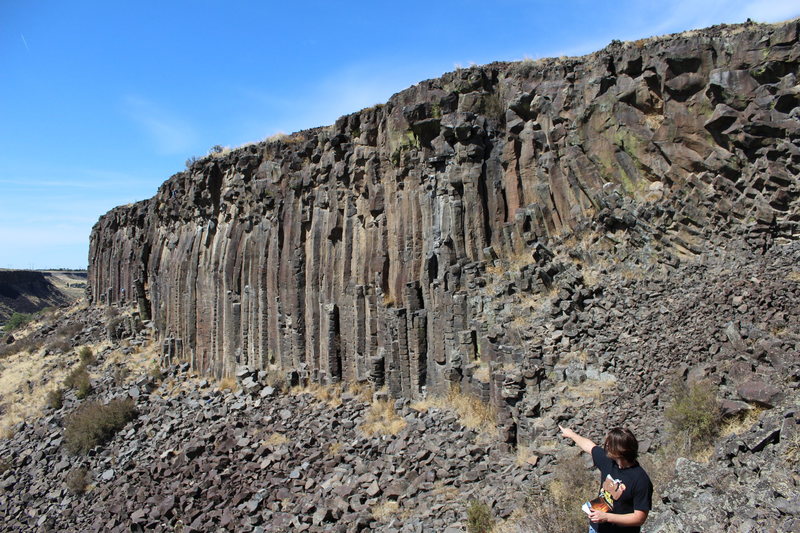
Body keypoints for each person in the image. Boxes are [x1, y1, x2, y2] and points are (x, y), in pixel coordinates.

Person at [559, 425, 653, 533]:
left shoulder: (640, 480)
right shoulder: (609, 462)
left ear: (619, 451)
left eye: (609, 445)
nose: (606, 446)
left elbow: (639, 518)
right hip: (597, 528)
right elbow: (589, 446)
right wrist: (571, 434)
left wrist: (607, 517)